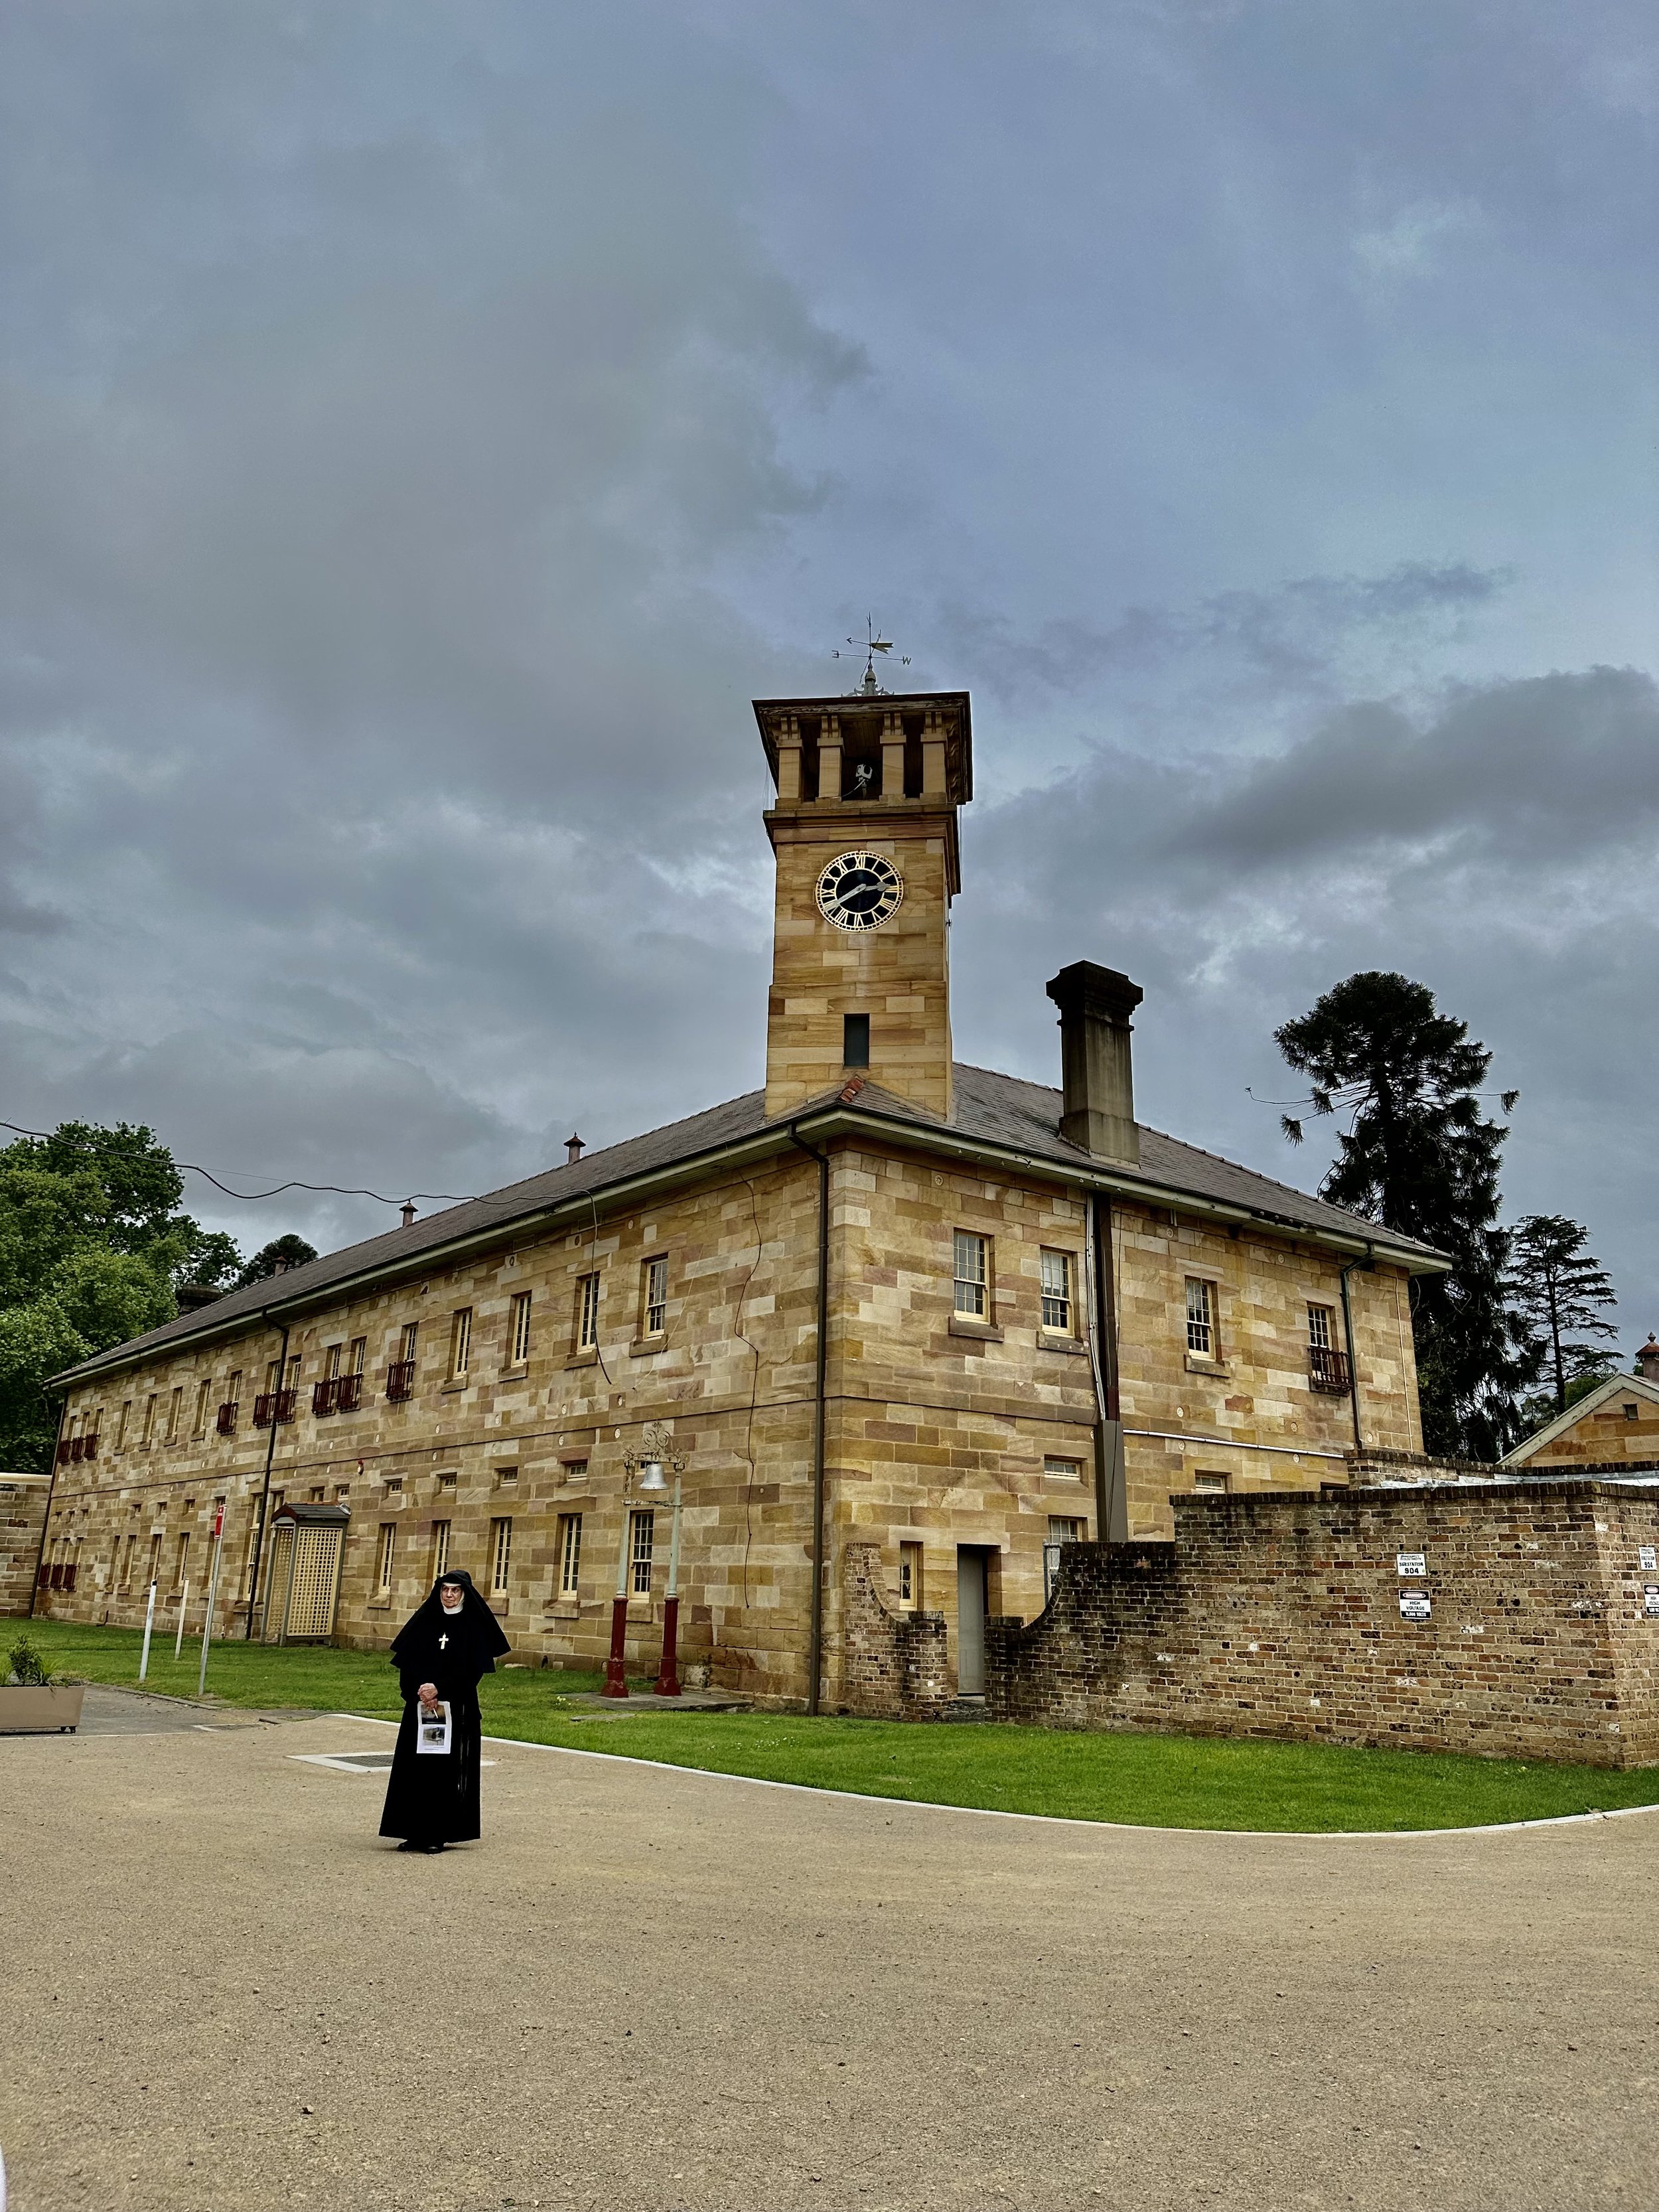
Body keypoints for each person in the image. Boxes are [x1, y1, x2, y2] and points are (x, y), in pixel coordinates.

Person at [379, 1568, 510, 1854]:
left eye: (455, 1590)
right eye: (445, 1590)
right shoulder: (426, 1620)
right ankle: (413, 1832)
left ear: (464, 1594)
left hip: (455, 1709)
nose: (449, 1595)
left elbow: (472, 1672)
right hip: (420, 1709)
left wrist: (439, 1689)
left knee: (443, 1771)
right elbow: (408, 1661)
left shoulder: (472, 1625)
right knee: (415, 1769)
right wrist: (420, 1689)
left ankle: (437, 1834)